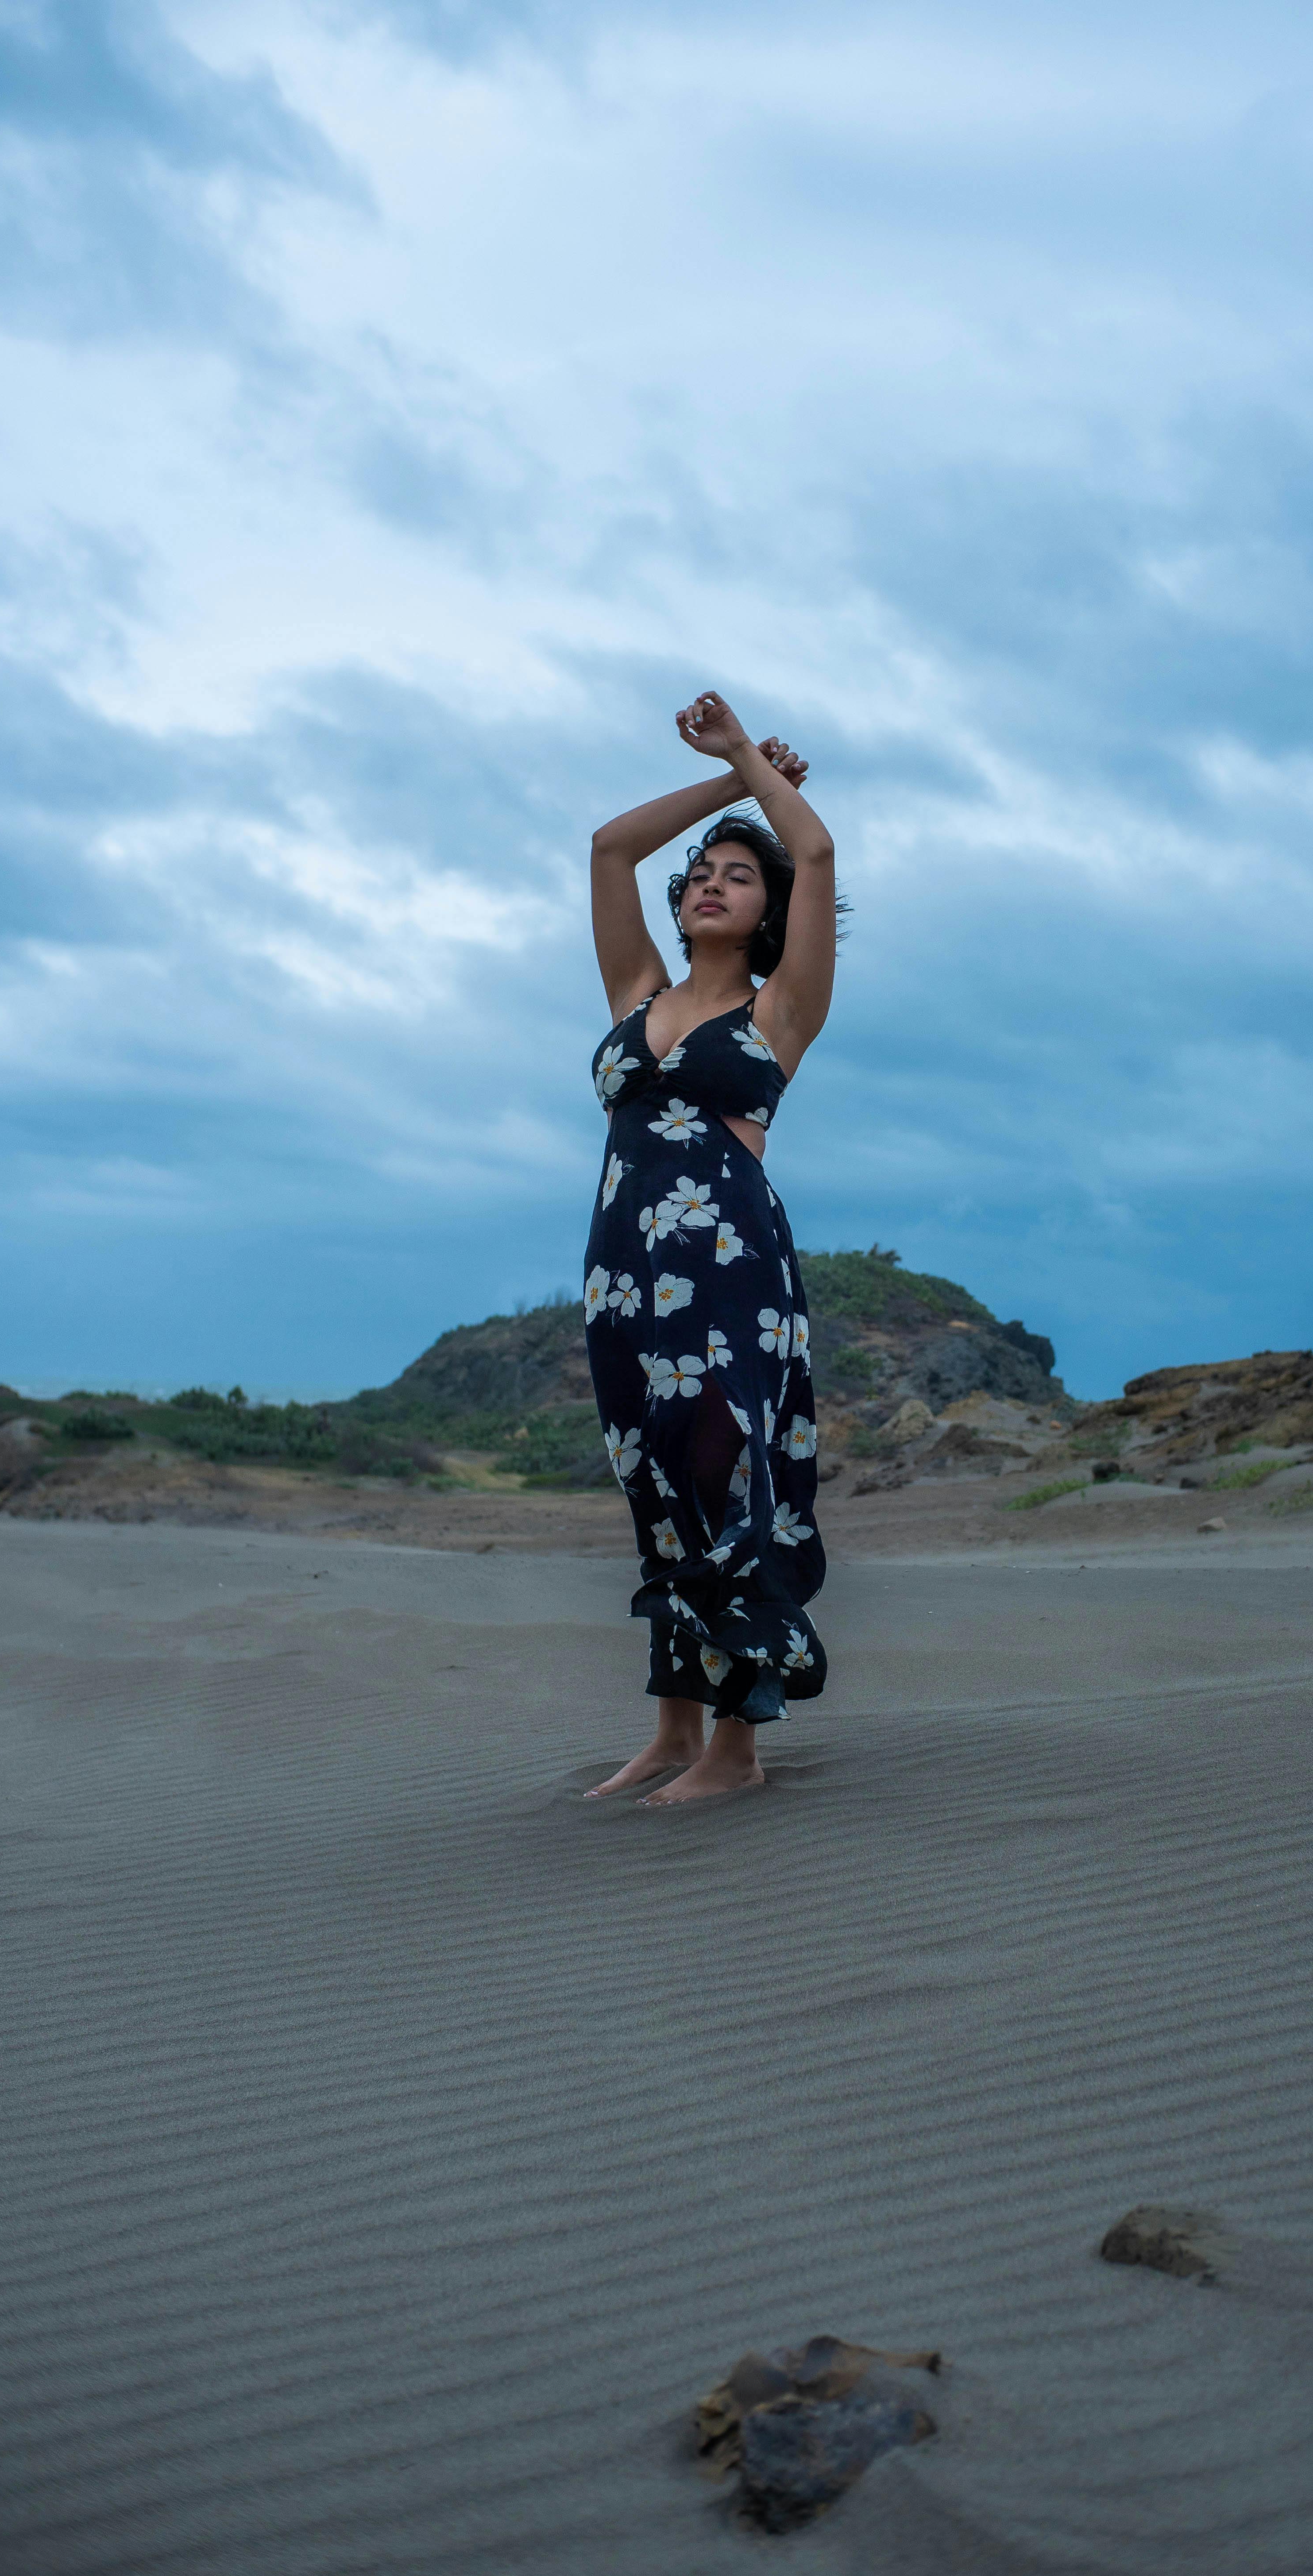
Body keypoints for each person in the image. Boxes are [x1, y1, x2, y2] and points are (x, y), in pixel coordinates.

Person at [581, 690, 839, 1804]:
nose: (707, 884)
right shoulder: (638, 994)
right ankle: (674, 1733)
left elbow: (816, 846)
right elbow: (609, 846)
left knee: (725, 1477)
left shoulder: (781, 1009)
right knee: (653, 1485)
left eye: (737, 875)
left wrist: (752, 757)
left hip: (732, 1272)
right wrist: (731, 784)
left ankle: (739, 1749)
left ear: (770, 911)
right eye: (700, 876)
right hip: (622, 1272)